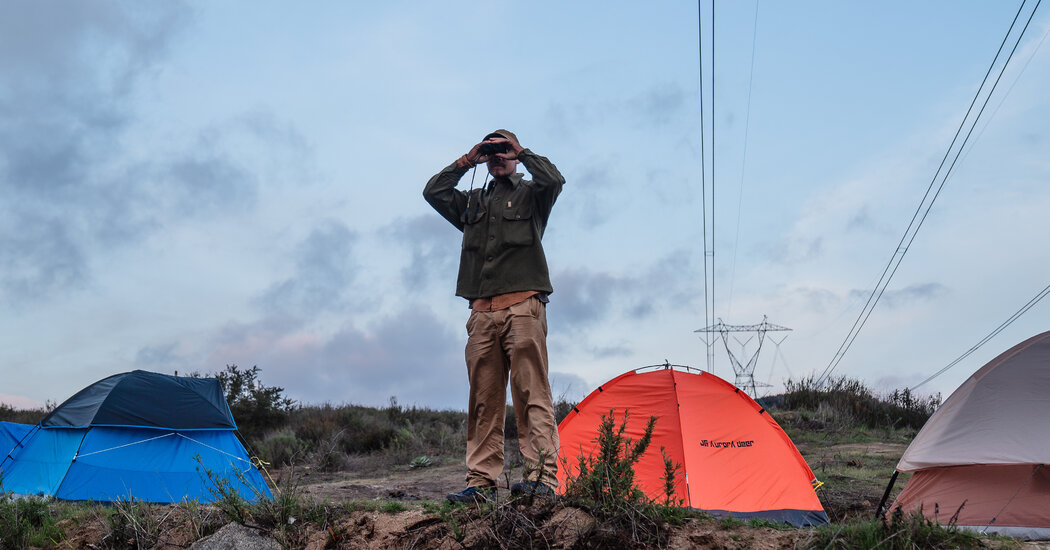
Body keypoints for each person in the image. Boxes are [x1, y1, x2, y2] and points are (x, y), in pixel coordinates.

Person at [423, 129, 565, 503]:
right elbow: (433, 192)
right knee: (483, 400)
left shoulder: (532, 194)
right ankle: (481, 483)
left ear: (515, 155)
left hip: (523, 308)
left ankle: (541, 481)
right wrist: (467, 160)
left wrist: (521, 151)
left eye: (504, 150)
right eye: (492, 151)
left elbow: (554, 179)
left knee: (530, 392)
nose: (497, 156)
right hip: (481, 313)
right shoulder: (472, 203)